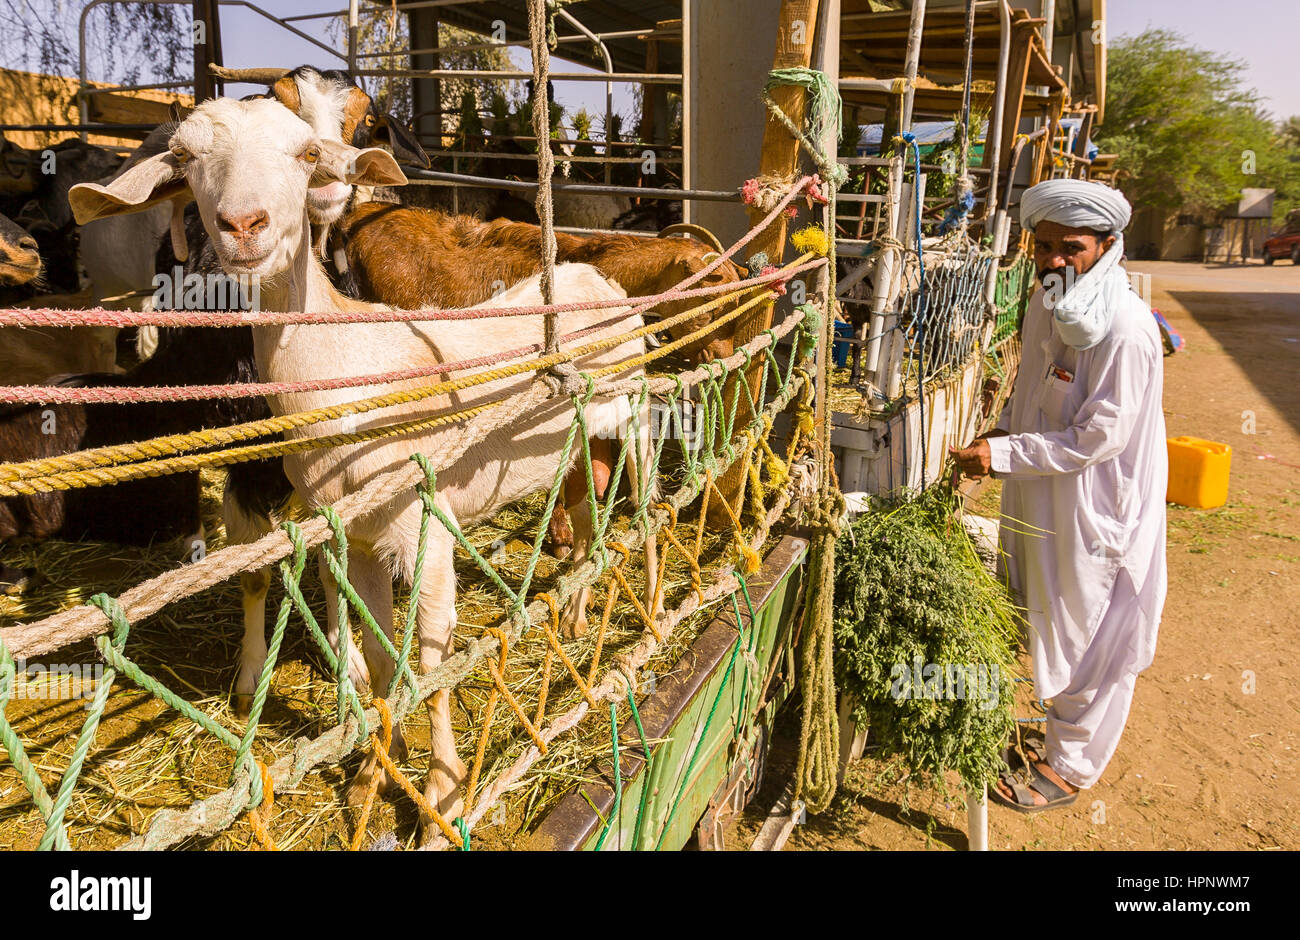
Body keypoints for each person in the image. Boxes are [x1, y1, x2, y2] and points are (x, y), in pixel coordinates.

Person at [950, 178, 1168, 812]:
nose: (1051, 259)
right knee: (1047, 609)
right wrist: (1005, 434)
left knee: (1095, 627)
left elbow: (1098, 436)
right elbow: (1038, 387)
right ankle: (1057, 730)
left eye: (1068, 247)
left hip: (1098, 502)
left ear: (1106, 245)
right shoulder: (1051, 301)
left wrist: (1006, 454)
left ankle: (1072, 767)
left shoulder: (1125, 328)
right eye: (1041, 245)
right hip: (1042, 491)